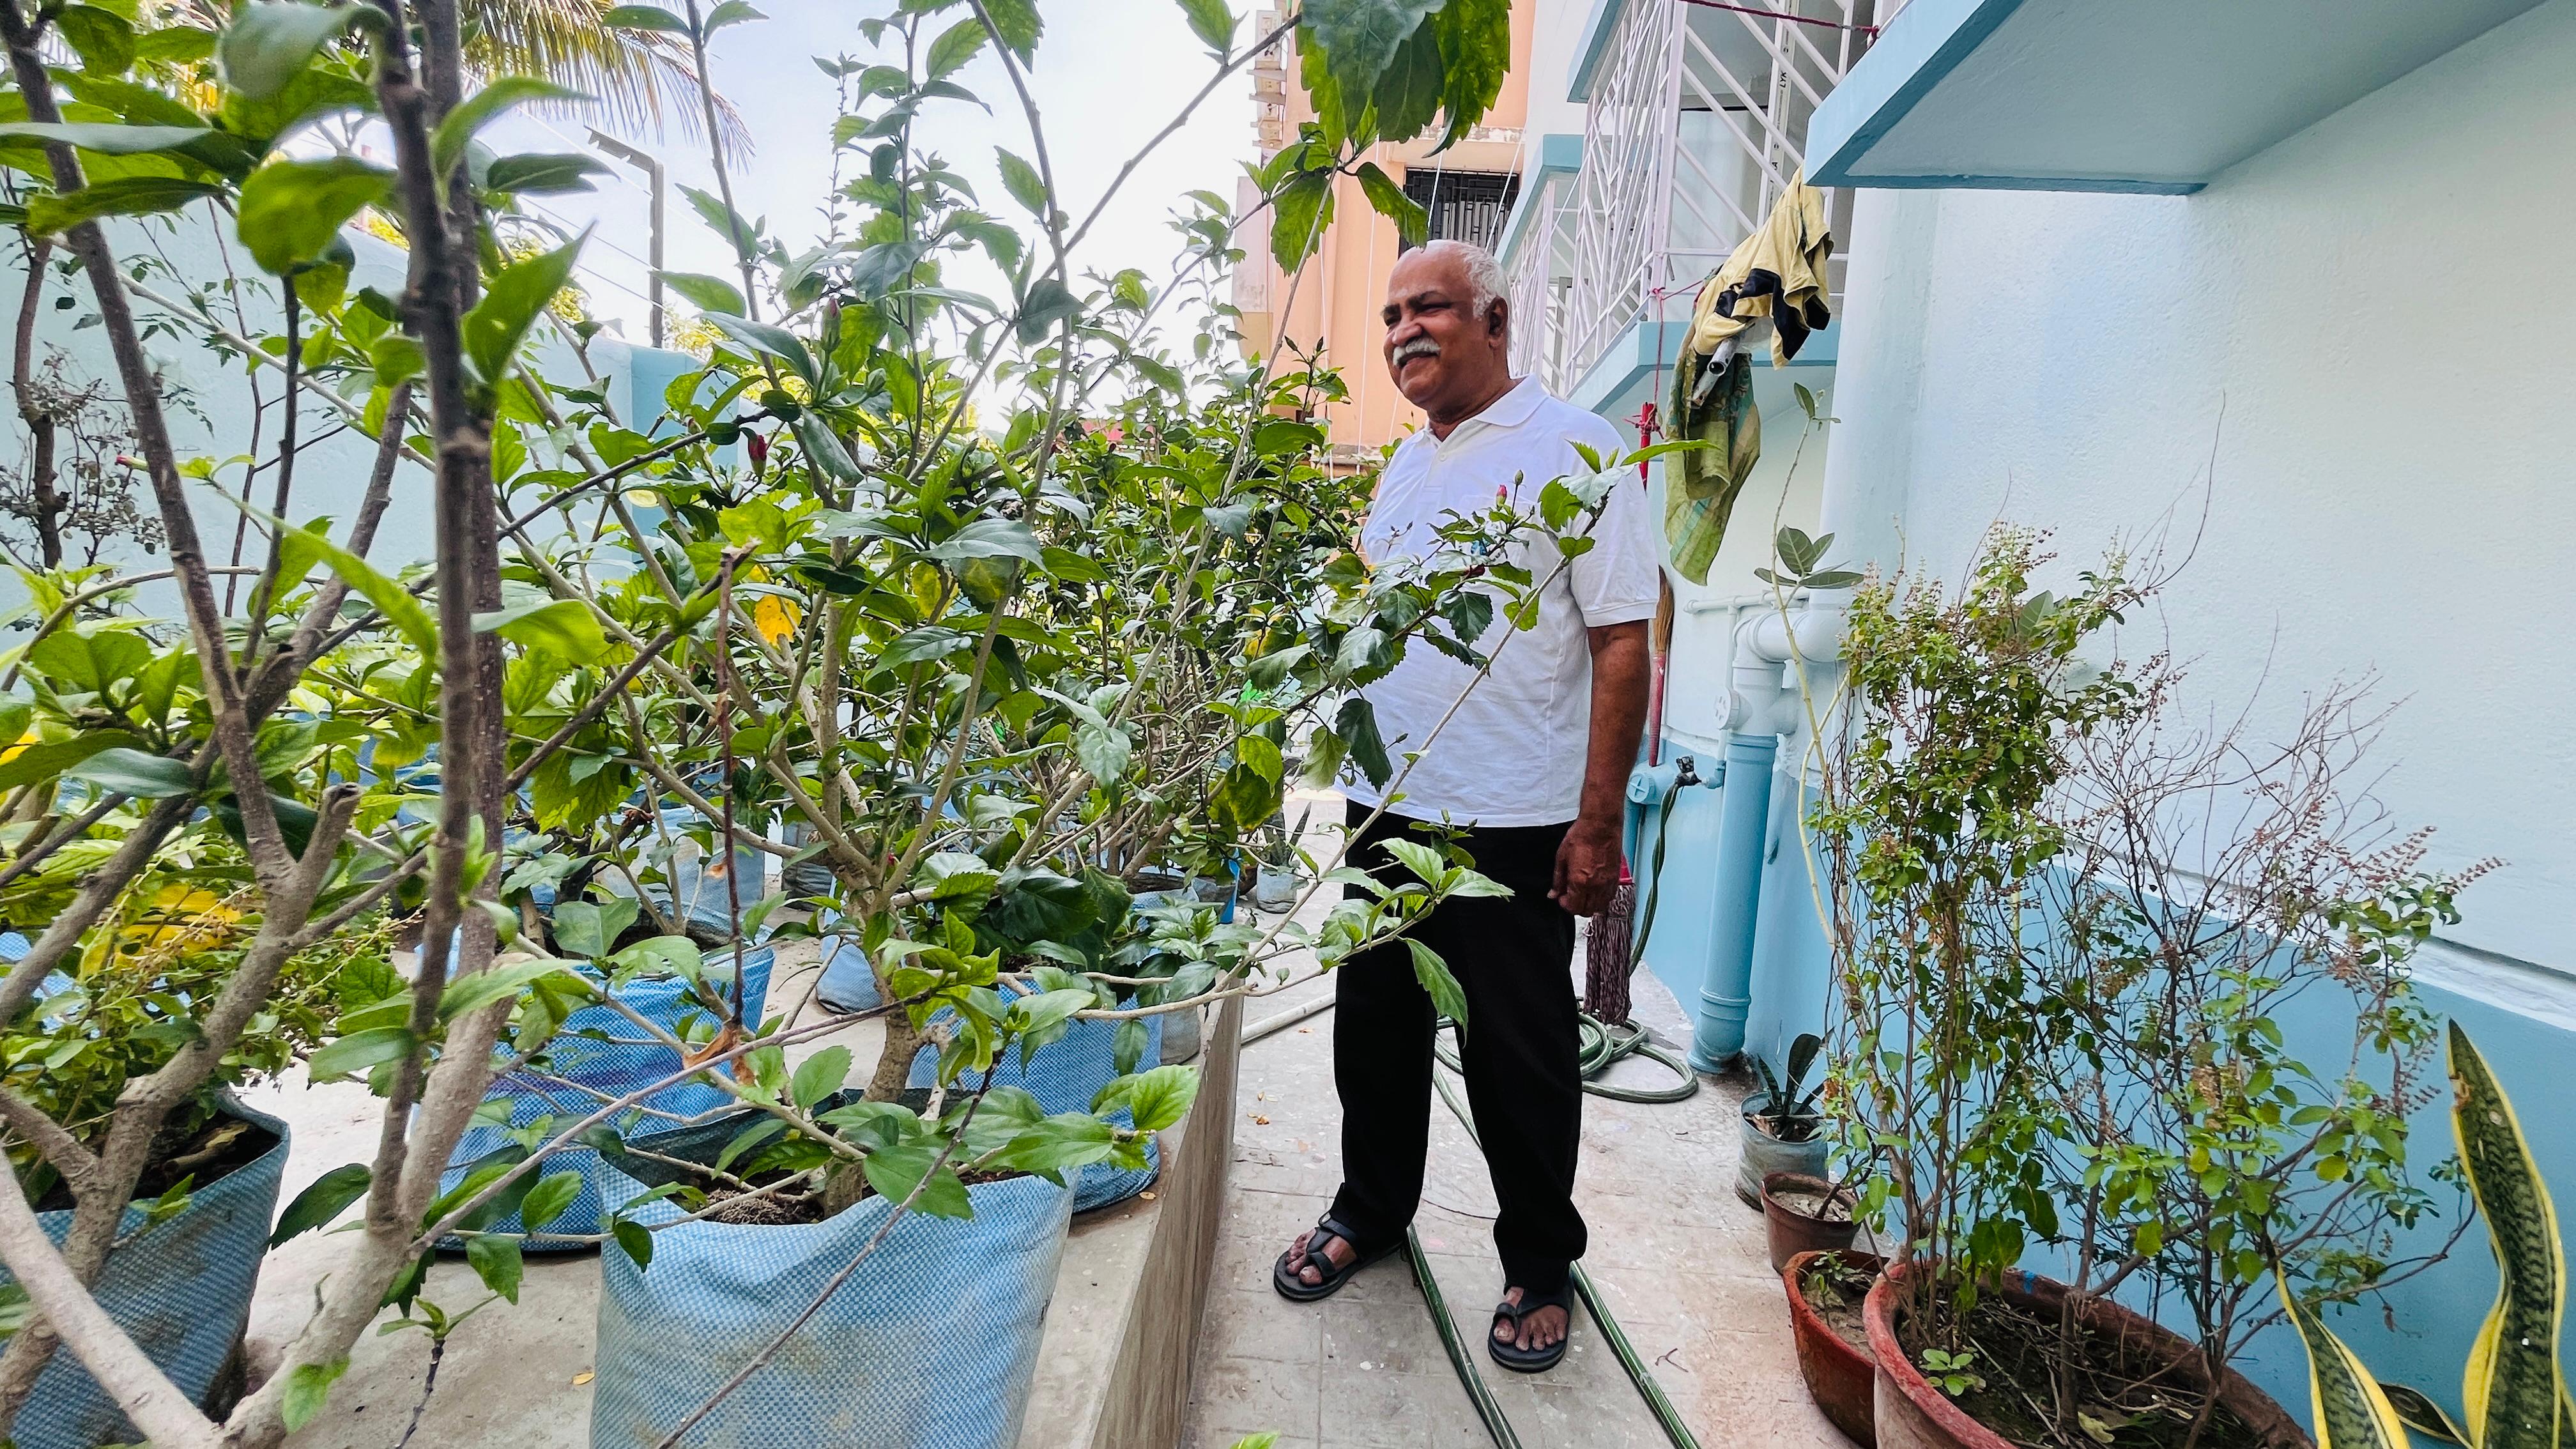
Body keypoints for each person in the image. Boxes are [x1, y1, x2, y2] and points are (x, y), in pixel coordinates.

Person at [1270, 240, 1655, 1374]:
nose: (1402, 333)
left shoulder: (1574, 451)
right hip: (1385, 805)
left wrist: (1597, 823)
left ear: (1492, 316)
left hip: (1517, 821)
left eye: (1426, 308)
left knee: (1518, 1062)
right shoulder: (1401, 469)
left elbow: (1624, 644)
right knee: (1374, 1035)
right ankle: (1370, 1213)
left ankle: (1540, 1262)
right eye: (1390, 316)